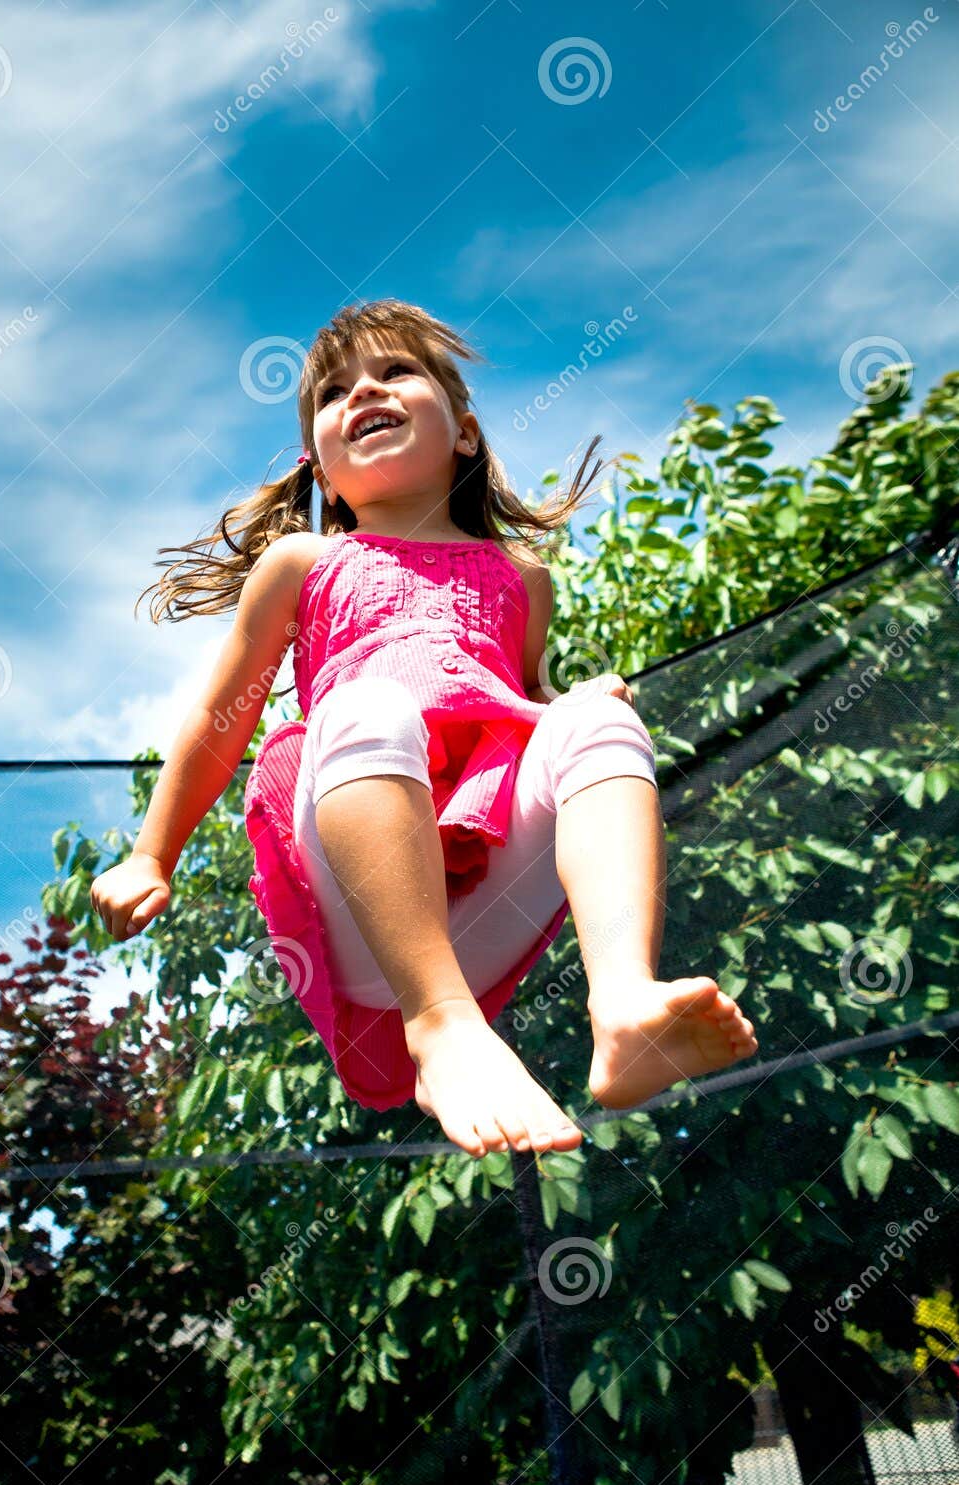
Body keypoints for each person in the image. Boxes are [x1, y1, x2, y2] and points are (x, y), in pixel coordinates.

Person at [90, 298, 757, 1159]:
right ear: (322, 471)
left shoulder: (523, 578)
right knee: (369, 706)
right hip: (372, 917)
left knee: (593, 715)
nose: (364, 389)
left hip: (483, 897)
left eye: (396, 371)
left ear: (465, 434)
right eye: (333, 391)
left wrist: (575, 704)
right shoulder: (306, 561)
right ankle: (439, 1028)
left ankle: (623, 1004)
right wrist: (152, 854)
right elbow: (224, 721)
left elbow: (517, 720)